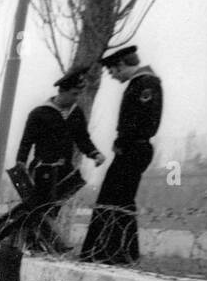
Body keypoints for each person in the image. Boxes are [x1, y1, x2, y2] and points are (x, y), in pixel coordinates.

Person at [80, 46, 162, 265]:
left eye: (112, 71)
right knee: (116, 198)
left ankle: (111, 252)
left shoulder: (146, 83)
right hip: (130, 148)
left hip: (133, 149)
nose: (113, 76)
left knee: (117, 198)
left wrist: (122, 141)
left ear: (122, 65)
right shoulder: (139, 83)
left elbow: (144, 122)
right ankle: (116, 252)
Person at [15, 67, 106, 253]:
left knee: (52, 210)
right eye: (74, 94)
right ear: (62, 91)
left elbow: (83, 139)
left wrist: (95, 153)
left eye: (79, 94)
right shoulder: (40, 113)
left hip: (64, 172)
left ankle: (43, 247)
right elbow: (26, 141)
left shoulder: (76, 113)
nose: (76, 98)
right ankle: (36, 246)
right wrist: (21, 162)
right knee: (39, 209)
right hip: (42, 170)